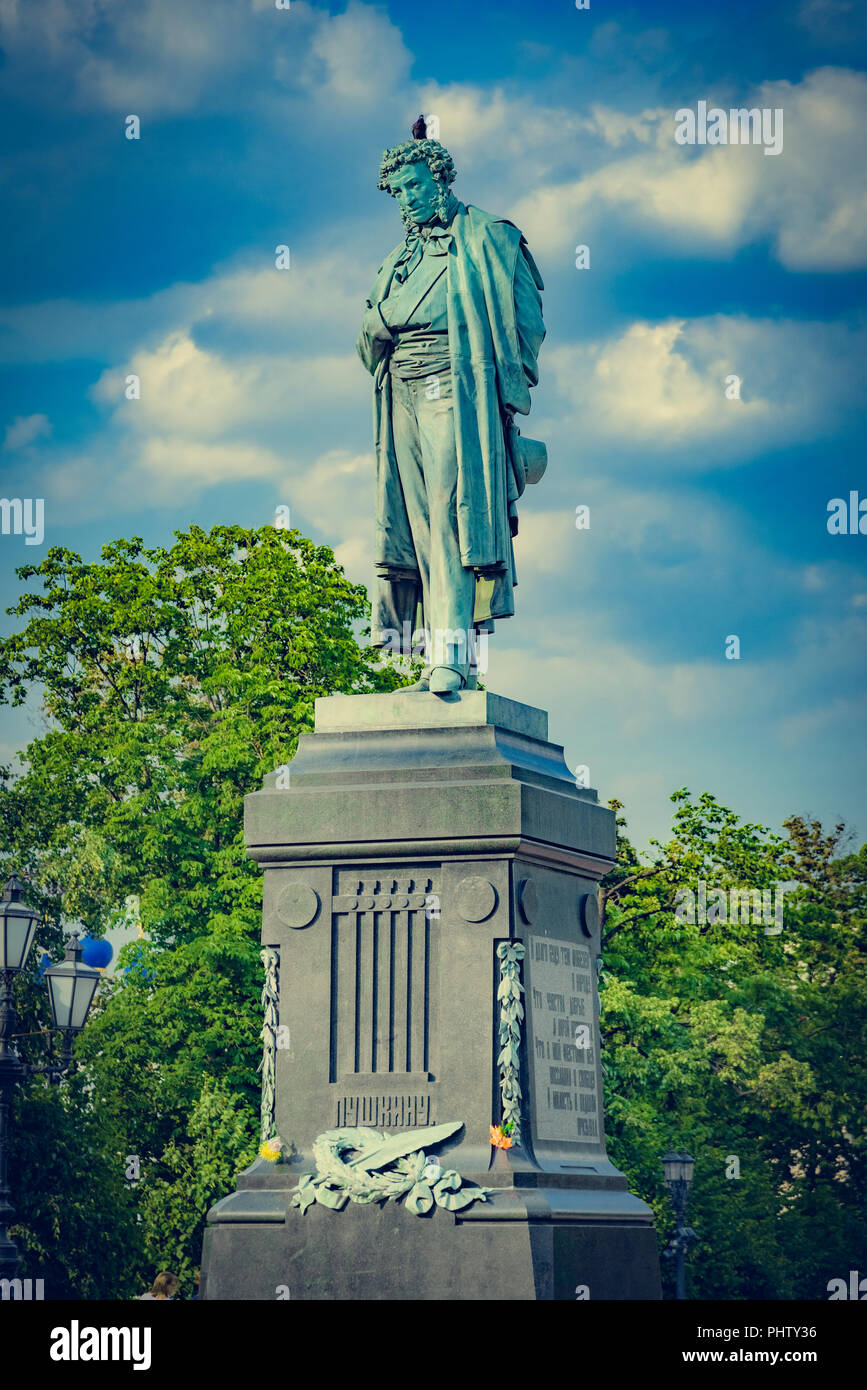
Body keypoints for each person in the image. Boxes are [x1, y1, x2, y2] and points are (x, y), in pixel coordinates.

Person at [358, 116, 546, 695]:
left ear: (439, 179)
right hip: (400, 392)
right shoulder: (396, 260)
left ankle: (453, 658)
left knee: (451, 519)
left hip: (455, 387)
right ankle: (433, 659)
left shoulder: (490, 238)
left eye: (413, 187)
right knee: (414, 530)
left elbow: (527, 327)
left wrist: (499, 394)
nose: (406, 201)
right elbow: (367, 337)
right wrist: (383, 321)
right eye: (398, 193)